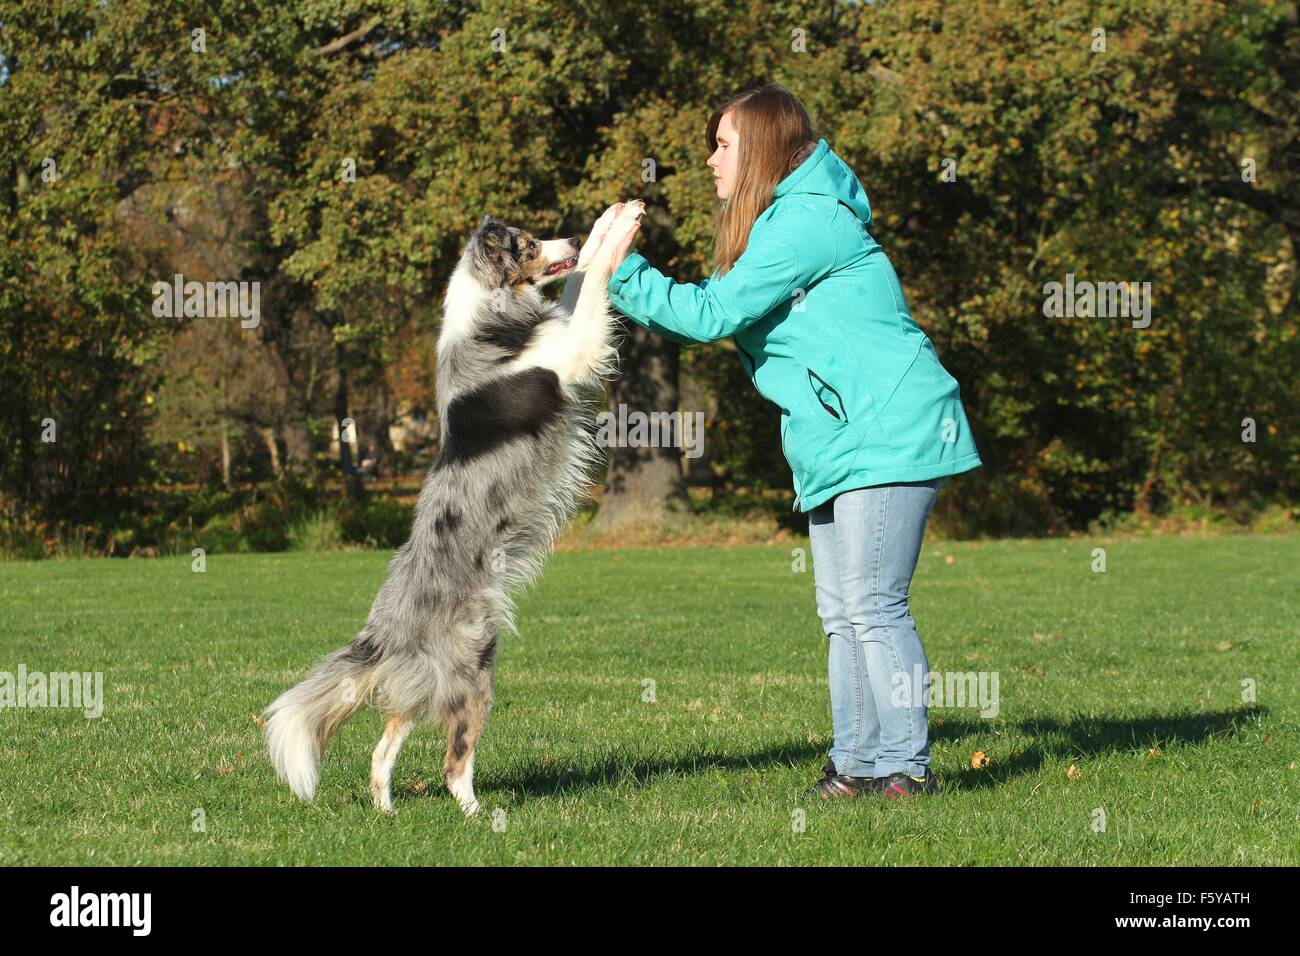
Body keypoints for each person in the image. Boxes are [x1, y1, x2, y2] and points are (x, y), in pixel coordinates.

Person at [598, 83, 983, 800]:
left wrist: (620, 271)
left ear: (763, 148)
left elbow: (712, 315)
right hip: (838, 439)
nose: (710, 160)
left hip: (888, 427)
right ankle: (856, 766)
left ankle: (904, 768)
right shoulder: (780, 224)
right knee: (842, 613)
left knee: (874, 604)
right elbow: (724, 311)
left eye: (723, 145)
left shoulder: (806, 223)